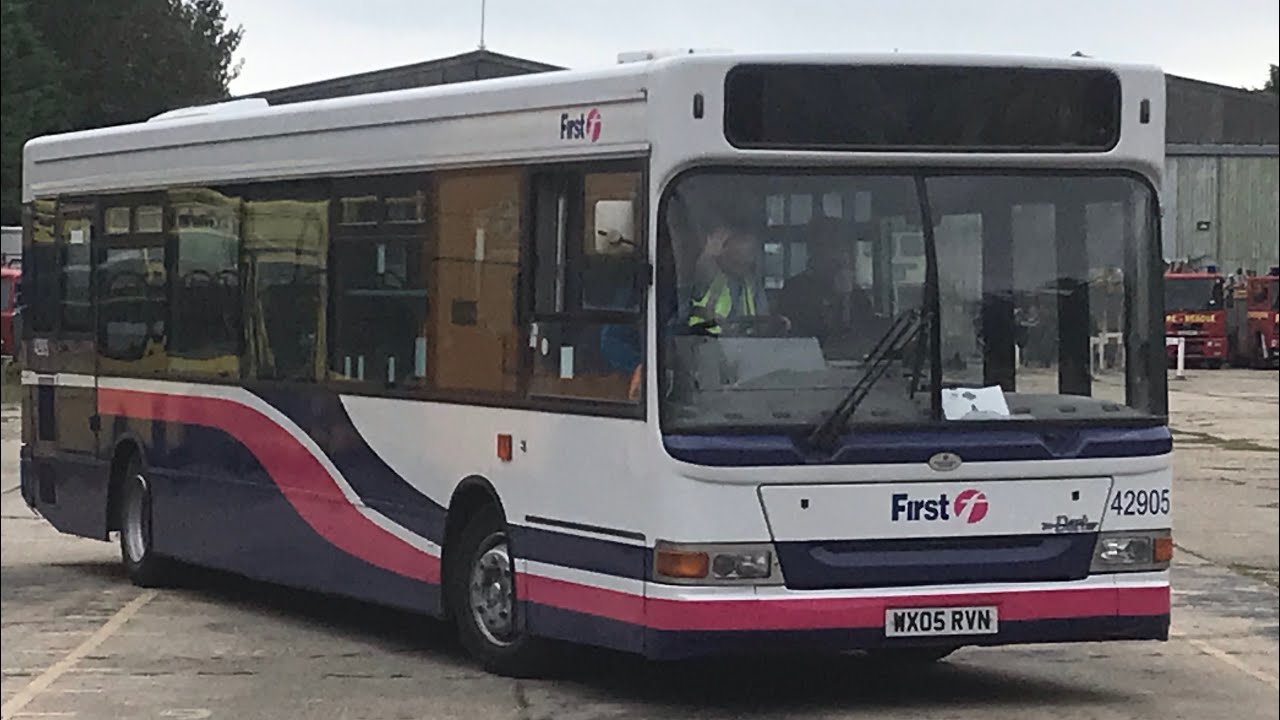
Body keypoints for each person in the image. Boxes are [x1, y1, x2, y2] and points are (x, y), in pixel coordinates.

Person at [776, 218, 873, 346]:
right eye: (827, 246)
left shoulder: (856, 295)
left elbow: (865, 335)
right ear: (812, 250)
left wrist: (846, 298)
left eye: (841, 248)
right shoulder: (795, 290)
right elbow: (789, 335)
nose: (835, 255)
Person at [686, 224, 778, 335]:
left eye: (751, 253)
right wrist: (708, 255)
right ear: (723, 252)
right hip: (705, 341)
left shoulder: (751, 284)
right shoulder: (710, 277)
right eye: (738, 253)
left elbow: (764, 322)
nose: (747, 259)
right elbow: (702, 274)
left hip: (746, 343)